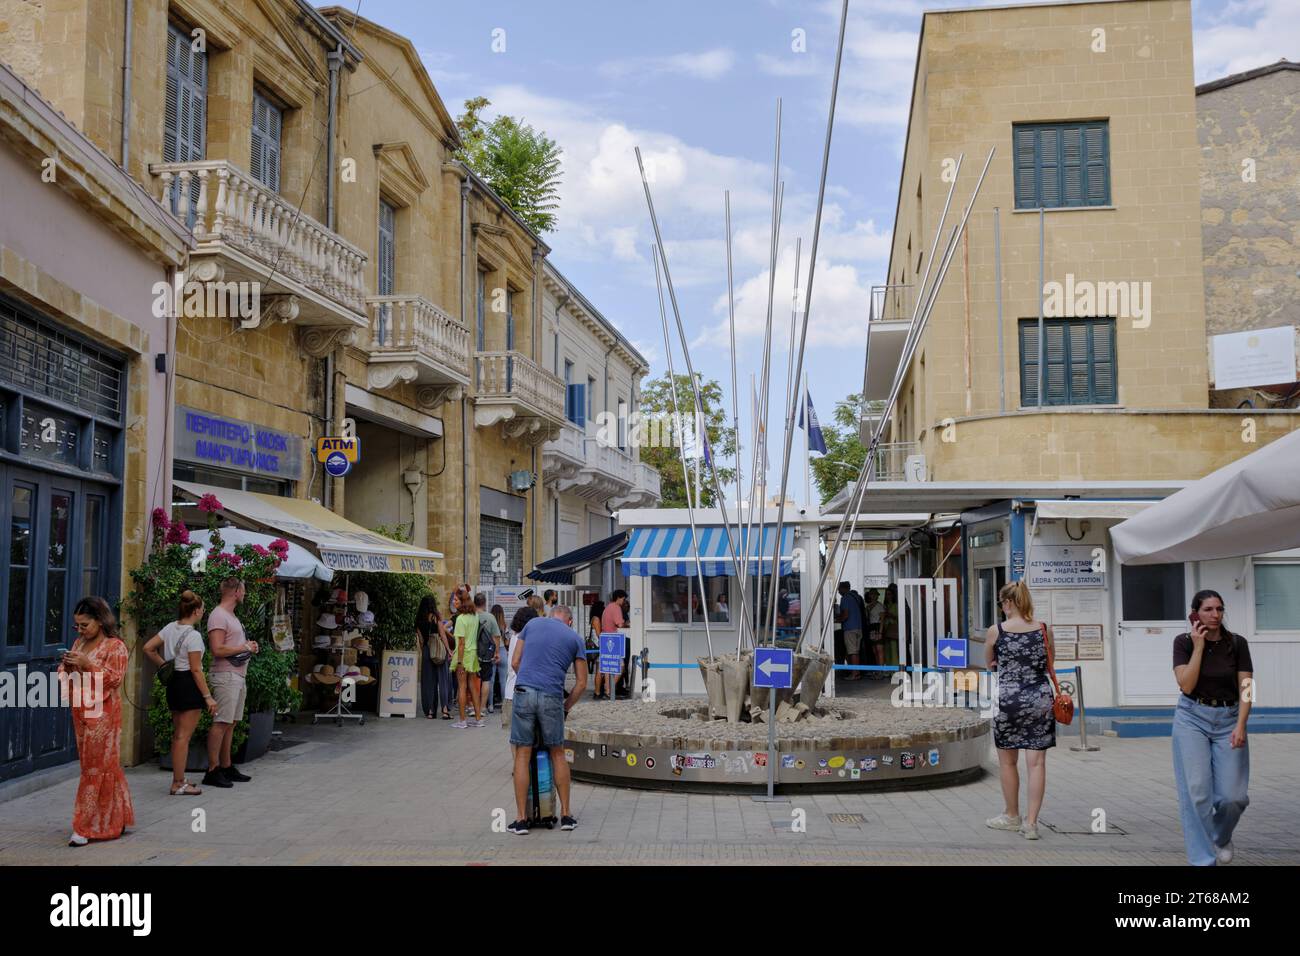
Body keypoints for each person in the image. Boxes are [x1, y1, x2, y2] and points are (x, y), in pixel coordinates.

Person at [1172, 590, 1252, 866]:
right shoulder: (1183, 642)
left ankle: (1220, 835)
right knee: (1197, 793)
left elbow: (1247, 688)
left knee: (1234, 797)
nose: (1215, 615)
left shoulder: (1238, 643)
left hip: (1229, 718)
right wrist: (1198, 646)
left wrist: (1241, 724)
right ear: (1195, 613)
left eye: (1219, 609)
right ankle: (1203, 860)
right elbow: (1187, 685)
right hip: (1192, 718)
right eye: (1208, 610)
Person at [58, 597, 135, 846]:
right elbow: (65, 674)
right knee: (99, 767)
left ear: (100, 621)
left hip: (104, 717)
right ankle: (115, 819)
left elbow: (115, 679)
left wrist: (87, 664)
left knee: (96, 769)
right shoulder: (80, 643)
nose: (79, 631)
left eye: (84, 625)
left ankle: (84, 827)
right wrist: (68, 667)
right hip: (81, 713)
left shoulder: (116, 647)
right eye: (76, 626)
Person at [985, 580, 1055, 841]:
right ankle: (1032, 824)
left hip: (1008, 699)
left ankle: (1011, 815)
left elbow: (989, 662)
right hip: (1039, 699)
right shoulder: (1044, 629)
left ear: (1008, 602)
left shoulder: (997, 631)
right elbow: (1050, 663)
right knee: (1036, 764)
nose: (1002, 608)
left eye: (1003, 603)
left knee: (1008, 761)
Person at [508, 606, 588, 834]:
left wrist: (530, 678)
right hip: (551, 696)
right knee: (557, 752)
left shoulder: (531, 625)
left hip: (524, 691)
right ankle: (566, 816)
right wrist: (566, 707)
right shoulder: (574, 638)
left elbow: (515, 662)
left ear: (551, 616)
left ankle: (521, 820)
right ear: (569, 621)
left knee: (523, 753)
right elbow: (582, 683)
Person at [143, 590, 218, 795]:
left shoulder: (169, 628)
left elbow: (148, 647)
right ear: (195, 611)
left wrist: (164, 666)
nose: (203, 612)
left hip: (174, 683)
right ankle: (178, 783)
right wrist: (208, 697)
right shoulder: (193, 636)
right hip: (188, 685)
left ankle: (180, 779)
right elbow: (196, 669)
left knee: (178, 735)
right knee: (183, 737)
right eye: (202, 609)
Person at [204, 577, 258, 789]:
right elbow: (217, 649)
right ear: (236, 591)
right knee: (221, 723)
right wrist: (244, 647)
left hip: (237, 675)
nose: (244, 594)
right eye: (243, 591)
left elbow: (233, 645)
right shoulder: (218, 616)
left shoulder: (231, 616)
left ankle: (226, 766)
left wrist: (248, 646)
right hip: (225, 675)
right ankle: (212, 769)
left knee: (231, 722)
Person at [416, 595, 453, 719]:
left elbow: (420, 640)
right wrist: (448, 650)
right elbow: (442, 634)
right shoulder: (436, 616)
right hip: (439, 650)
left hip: (427, 650)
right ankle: (445, 710)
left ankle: (431, 711)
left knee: (429, 682)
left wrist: (425, 651)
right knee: (443, 680)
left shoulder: (418, 619)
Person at [503, 604, 539, 731]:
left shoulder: (514, 636)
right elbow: (515, 663)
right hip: (522, 692)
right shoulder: (525, 638)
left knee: (515, 737)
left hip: (510, 692)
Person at [452, 595, 481, 728]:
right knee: (473, 687)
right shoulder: (475, 616)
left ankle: (462, 721)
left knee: (462, 687)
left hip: (463, 655)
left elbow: (461, 643)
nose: (454, 602)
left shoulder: (460, 619)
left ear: (462, 602)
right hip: (473, 654)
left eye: (456, 600)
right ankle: (478, 719)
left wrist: (459, 662)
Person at [475, 594, 502, 716]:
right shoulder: (490, 617)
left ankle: (473, 707)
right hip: (486, 654)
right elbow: (496, 636)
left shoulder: (470, 616)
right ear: (485, 603)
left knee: (473, 680)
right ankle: (482, 708)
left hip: (472, 653)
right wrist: (496, 653)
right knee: (486, 680)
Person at [600, 589, 629, 700]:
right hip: (614, 639)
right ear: (619, 598)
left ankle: (607, 691)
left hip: (605, 638)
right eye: (623, 599)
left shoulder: (608, 607)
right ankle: (609, 689)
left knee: (608, 667)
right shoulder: (616, 608)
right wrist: (627, 624)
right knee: (621, 667)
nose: (623, 601)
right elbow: (620, 624)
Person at [835, 582, 867, 681]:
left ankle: (854, 674)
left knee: (852, 652)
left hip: (850, 629)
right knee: (856, 652)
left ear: (844, 588)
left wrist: (836, 620)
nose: (838, 591)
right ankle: (856, 672)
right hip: (859, 628)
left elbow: (845, 615)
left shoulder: (845, 598)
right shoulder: (857, 597)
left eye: (839, 589)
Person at [864, 588, 886, 678]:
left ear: (877, 596)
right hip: (871, 627)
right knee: (874, 650)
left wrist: (880, 632)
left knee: (879, 649)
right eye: (871, 594)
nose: (873, 596)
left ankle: (881, 671)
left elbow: (882, 620)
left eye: (875, 594)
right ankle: (878, 670)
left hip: (877, 627)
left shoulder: (880, 606)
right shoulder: (868, 606)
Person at [589, 599, 606, 699]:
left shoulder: (594, 618)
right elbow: (599, 635)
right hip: (598, 647)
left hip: (597, 646)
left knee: (599, 670)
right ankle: (597, 692)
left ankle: (598, 691)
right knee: (599, 670)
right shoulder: (596, 619)